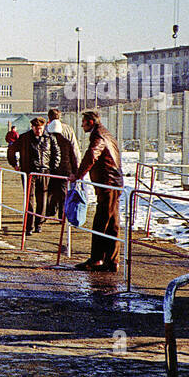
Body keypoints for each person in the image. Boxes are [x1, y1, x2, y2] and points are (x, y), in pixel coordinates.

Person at [70, 110, 123, 272]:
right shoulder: (106, 134)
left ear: (90, 122)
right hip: (113, 182)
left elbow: (92, 154)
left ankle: (97, 259)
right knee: (112, 223)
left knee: (101, 221)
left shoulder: (98, 136)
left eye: (84, 122)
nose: (81, 125)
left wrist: (78, 175)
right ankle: (112, 260)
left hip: (107, 184)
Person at [7, 117, 60, 234]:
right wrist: (15, 164)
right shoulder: (24, 138)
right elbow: (11, 150)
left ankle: (38, 224)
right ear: (32, 127)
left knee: (42, 200)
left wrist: (53, 168)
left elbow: (57, 154)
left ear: (44, 127)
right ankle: (29, 226)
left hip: (44, 172)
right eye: (36, 128)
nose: (38, 131)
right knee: (29, 200)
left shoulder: (50, 138)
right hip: (29, 172)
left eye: (40, 128)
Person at [46, 123, 81, 220]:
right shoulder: (67, 142)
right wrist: (75, 171)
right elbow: (73, 158)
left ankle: (49, 210)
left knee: (50, 191)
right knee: (63, 194)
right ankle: (62, 214)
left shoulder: (48, 141)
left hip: (52, 170)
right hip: (65, 171)